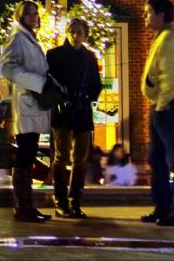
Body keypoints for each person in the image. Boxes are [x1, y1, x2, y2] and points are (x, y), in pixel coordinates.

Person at [1, 0, 60, 222]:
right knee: (25, 154)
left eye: (36, 14)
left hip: (34, 102)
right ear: (20, 16)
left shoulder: (28, 37)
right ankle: (22, 206)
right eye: (29, 14)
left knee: (29, 153)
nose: (34, 18)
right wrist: (38, 83)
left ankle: (27, 205)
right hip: (27, 102)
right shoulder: (17, 37)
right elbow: (8, 67)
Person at [141, 0, 174, 226]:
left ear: (161, 14)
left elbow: (170, 79)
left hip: (169, 106)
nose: (145, 17)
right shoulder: (162, 37)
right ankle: (163, 207)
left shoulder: (170, 39)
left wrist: (161, 104)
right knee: (158, 160)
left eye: (148, 12)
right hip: (162, 106)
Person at [46, 18, 102, 218]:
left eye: (80, 33)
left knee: (81, 158)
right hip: (62, 110)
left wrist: (88, 97)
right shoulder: (54, 55)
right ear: (68, 32)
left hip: (83, 110)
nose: (76, 36)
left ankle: (75, 200)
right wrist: (61, 99)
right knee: (61, 157)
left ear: (85, 36)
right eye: (73, 31)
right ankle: (60, 200)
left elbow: (97, 83)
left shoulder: (89, 58)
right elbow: (49, 82)